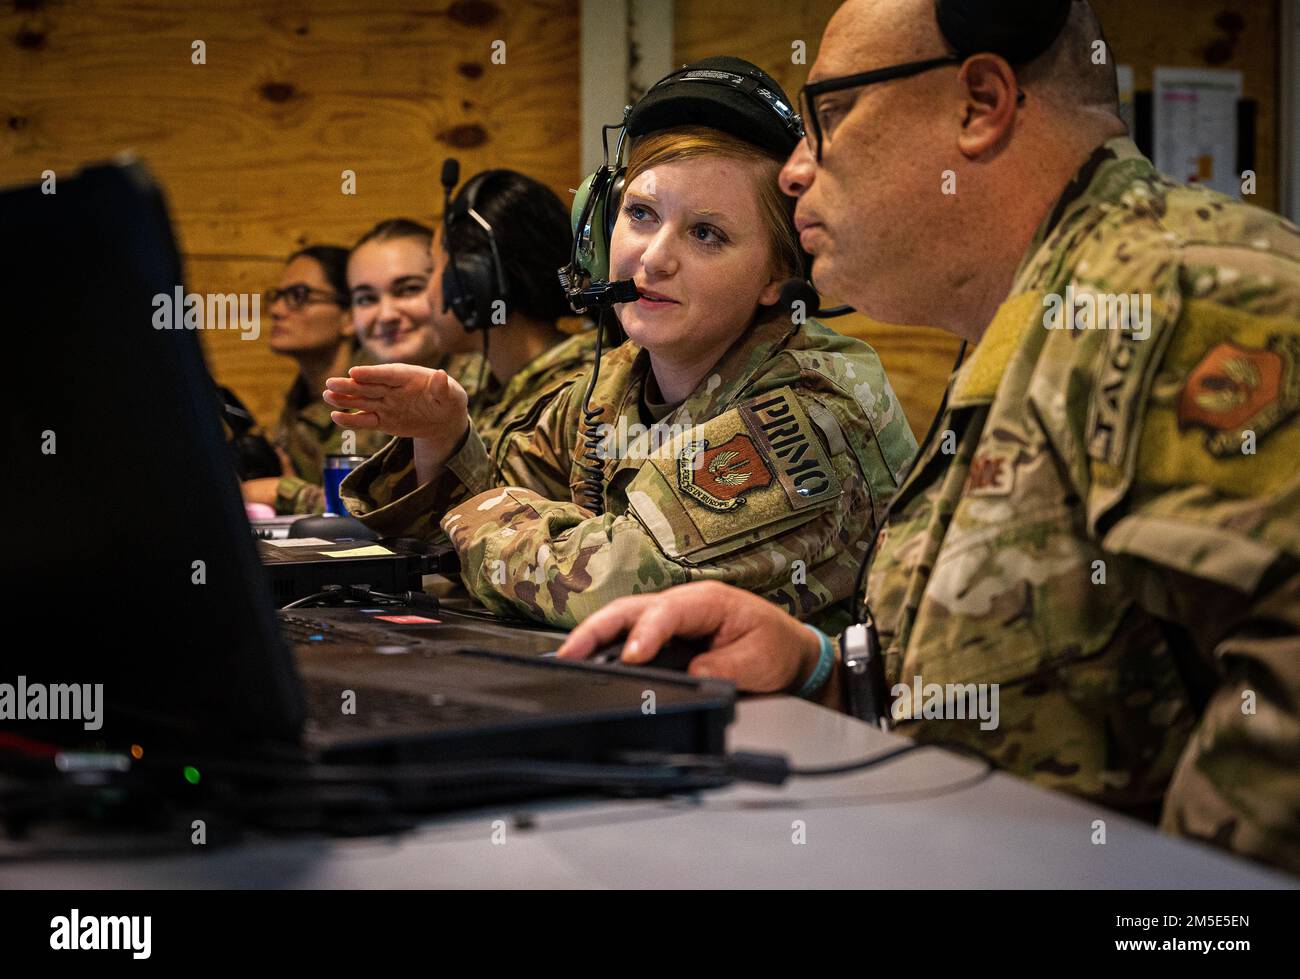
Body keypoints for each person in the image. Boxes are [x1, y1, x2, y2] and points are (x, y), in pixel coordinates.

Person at [559, 0, 1300, 874]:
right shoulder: (1033, 320)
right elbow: (1072, 687)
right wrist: (822, 668)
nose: (797, 171)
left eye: (829, 117)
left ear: (981, 103)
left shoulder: (1180, 298)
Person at [325, 57, 917, 632]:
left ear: (778, 276)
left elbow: (607, 584)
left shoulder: (818, 406)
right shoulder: (613, 383)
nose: (653, 258)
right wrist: (441, 438)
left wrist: (497, 519)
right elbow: (458, 541)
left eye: (706, 234)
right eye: (639, 214)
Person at [240, 245, 386, 514]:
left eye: (299, 296)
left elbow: (379, 510)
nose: (276, 310)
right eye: (278, 296)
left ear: (350, 317)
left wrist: (283, 492)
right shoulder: (300, 402)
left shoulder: (377, 397)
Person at [347, 217, 490, 404]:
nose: (386, 316)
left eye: (409, 289)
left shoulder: (492, 387)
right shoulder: (358, 407)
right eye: (367, 299)